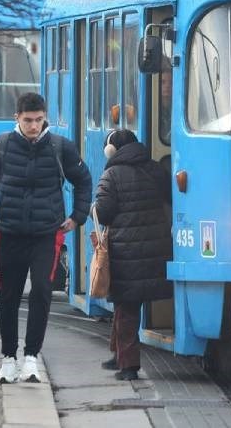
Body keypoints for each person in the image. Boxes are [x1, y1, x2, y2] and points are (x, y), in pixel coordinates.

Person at [0, 92, 92, 384]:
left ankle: (30, 358)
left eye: (39, 120)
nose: (34, 126)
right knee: (8, 296)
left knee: (41, 290)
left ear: (45, 118)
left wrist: (77, 217)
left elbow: (83, 180)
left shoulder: (59, 146)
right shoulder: (2, 144)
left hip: (45, 234)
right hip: (9, 232)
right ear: (17, 118)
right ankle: (8, 358)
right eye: (28, 120)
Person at [93, 129, 171, 381]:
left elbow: (103, 213)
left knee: (126, 309)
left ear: (111, 150)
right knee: (125, 306)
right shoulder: (156, 169)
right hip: (155, 249)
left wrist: (94, 206)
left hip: (125, 252)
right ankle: (118, 355)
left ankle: (129, 366)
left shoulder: (111, 174)